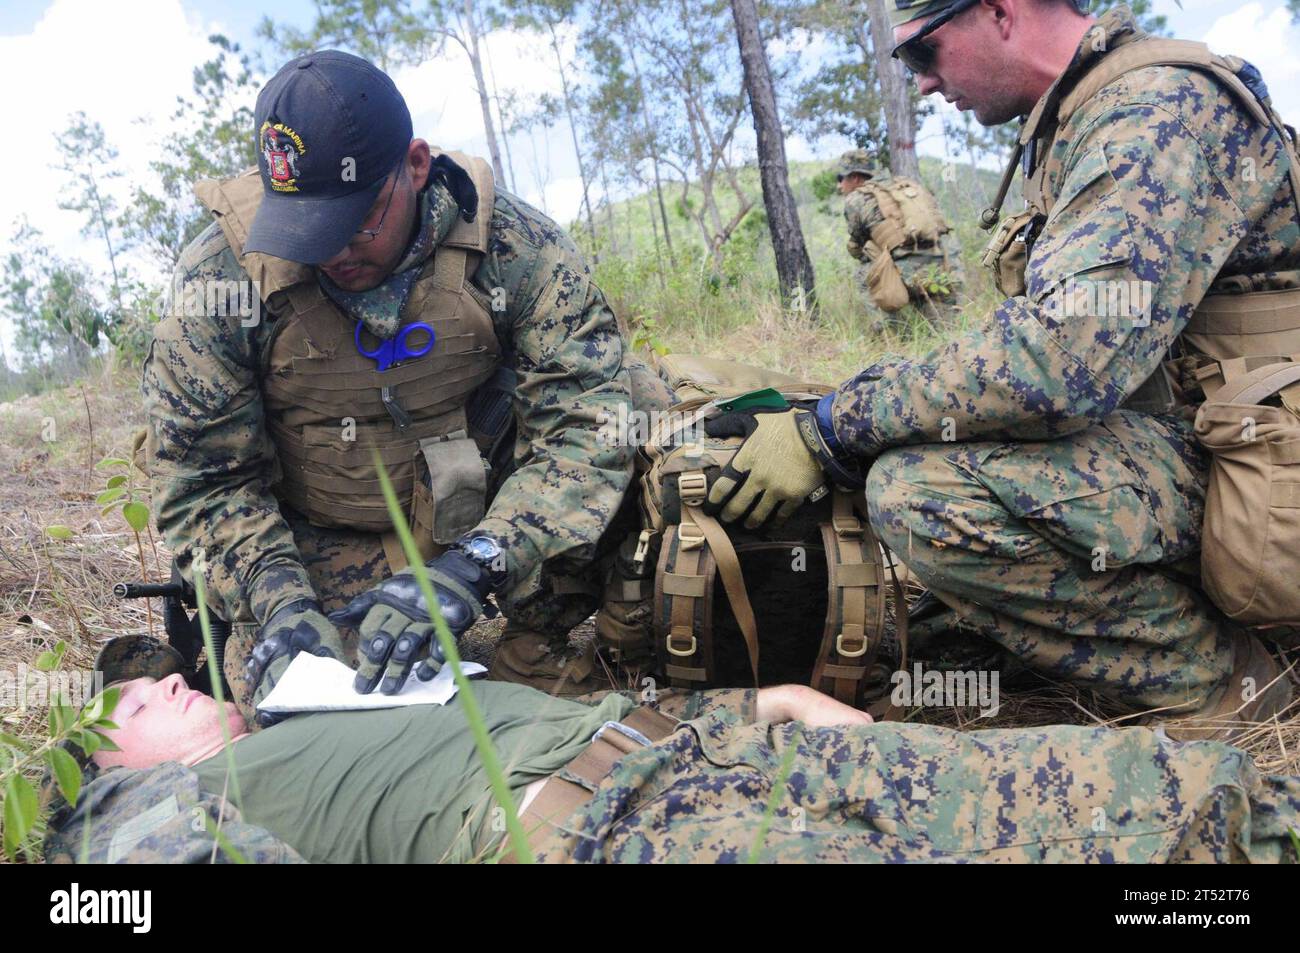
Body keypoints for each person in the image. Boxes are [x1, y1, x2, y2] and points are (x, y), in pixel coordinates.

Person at [701, 0, 1300, 739]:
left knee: (921, 493)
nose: (921, 85)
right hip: (1214, 435)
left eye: (922, 55)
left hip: (1260, 457)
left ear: (1000, 11)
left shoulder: (1153, 113)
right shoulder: (1086, 116)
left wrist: (834, 427)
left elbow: (1058, 362)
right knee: (924, 437)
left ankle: (1227, 689)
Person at [141, 50, 671, 719]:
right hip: (325, 525)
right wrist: (280, 602)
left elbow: (585, 422)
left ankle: (538, 641)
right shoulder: (221, 278)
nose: (332, 252)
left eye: (355, 222)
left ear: (416, 167)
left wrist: (480, 562)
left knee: (644, 405)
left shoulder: (516, 244)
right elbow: (205, 481)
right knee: (333, 718)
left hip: (487, 503)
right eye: (305, 229)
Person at [43, 636, 1300, 863]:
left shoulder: (332, 701)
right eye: (133, 702)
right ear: (112, 767)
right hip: (617, 838)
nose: (162, 677)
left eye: (156, 668)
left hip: (706, 755)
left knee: (1151, 788)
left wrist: (767, 700)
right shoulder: (153, 816)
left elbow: (557, 714)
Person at [837, 149, 963, 331]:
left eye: (841, 178)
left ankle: (891, 332)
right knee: (946, 330)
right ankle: (937, 324)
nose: (839, 186)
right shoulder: (905, 187)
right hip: (945, 263)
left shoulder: (856, 199)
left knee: (864, 272)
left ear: (855, 177)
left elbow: (858, 247)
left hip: (908, 273)